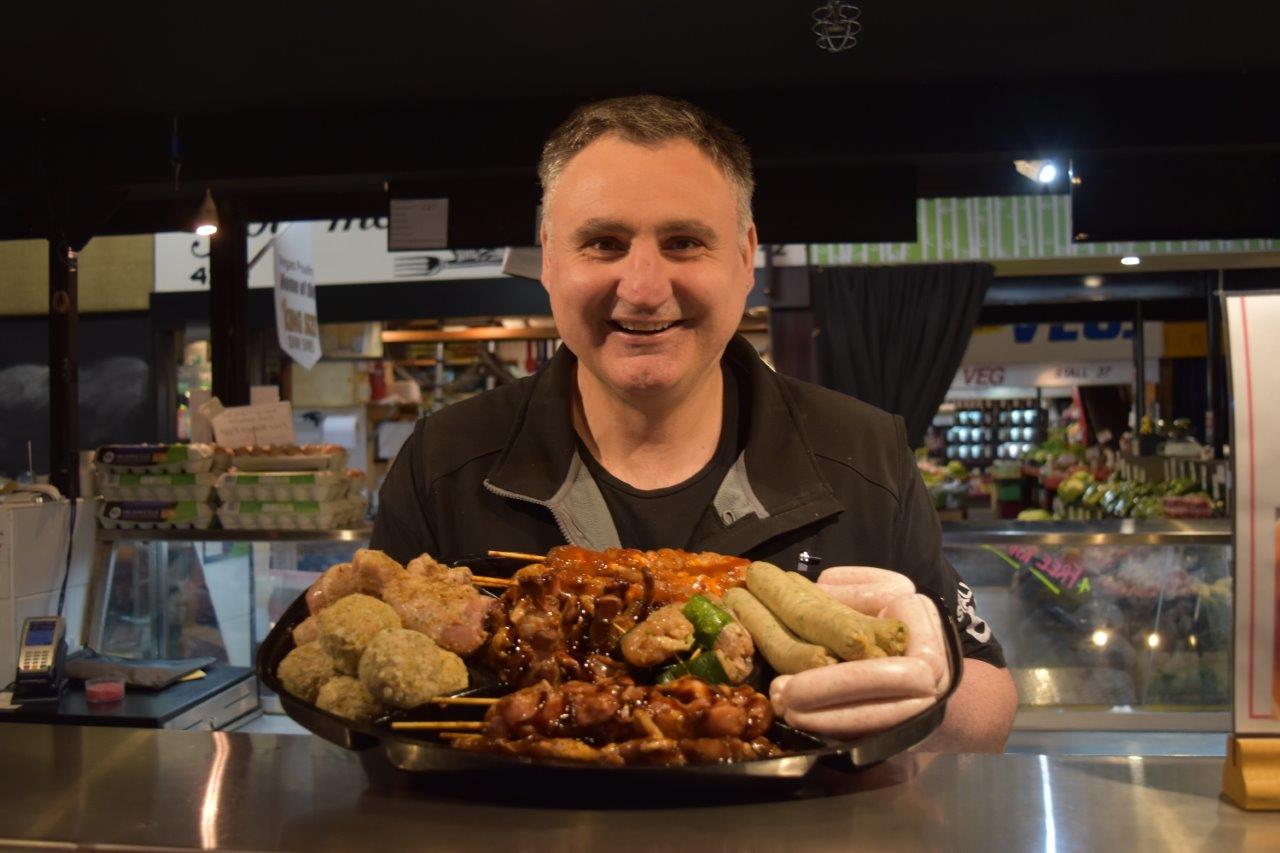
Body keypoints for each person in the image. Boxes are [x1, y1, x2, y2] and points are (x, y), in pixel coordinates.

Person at [371, 95, 1018, 752]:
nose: (645, 286)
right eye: (603, 242)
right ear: (548, 258)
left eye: (683, 242)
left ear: (745, 258)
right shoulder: (443, 460)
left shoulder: (866, 452)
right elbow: (371, 709)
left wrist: (916, 689)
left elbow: (991, 694)